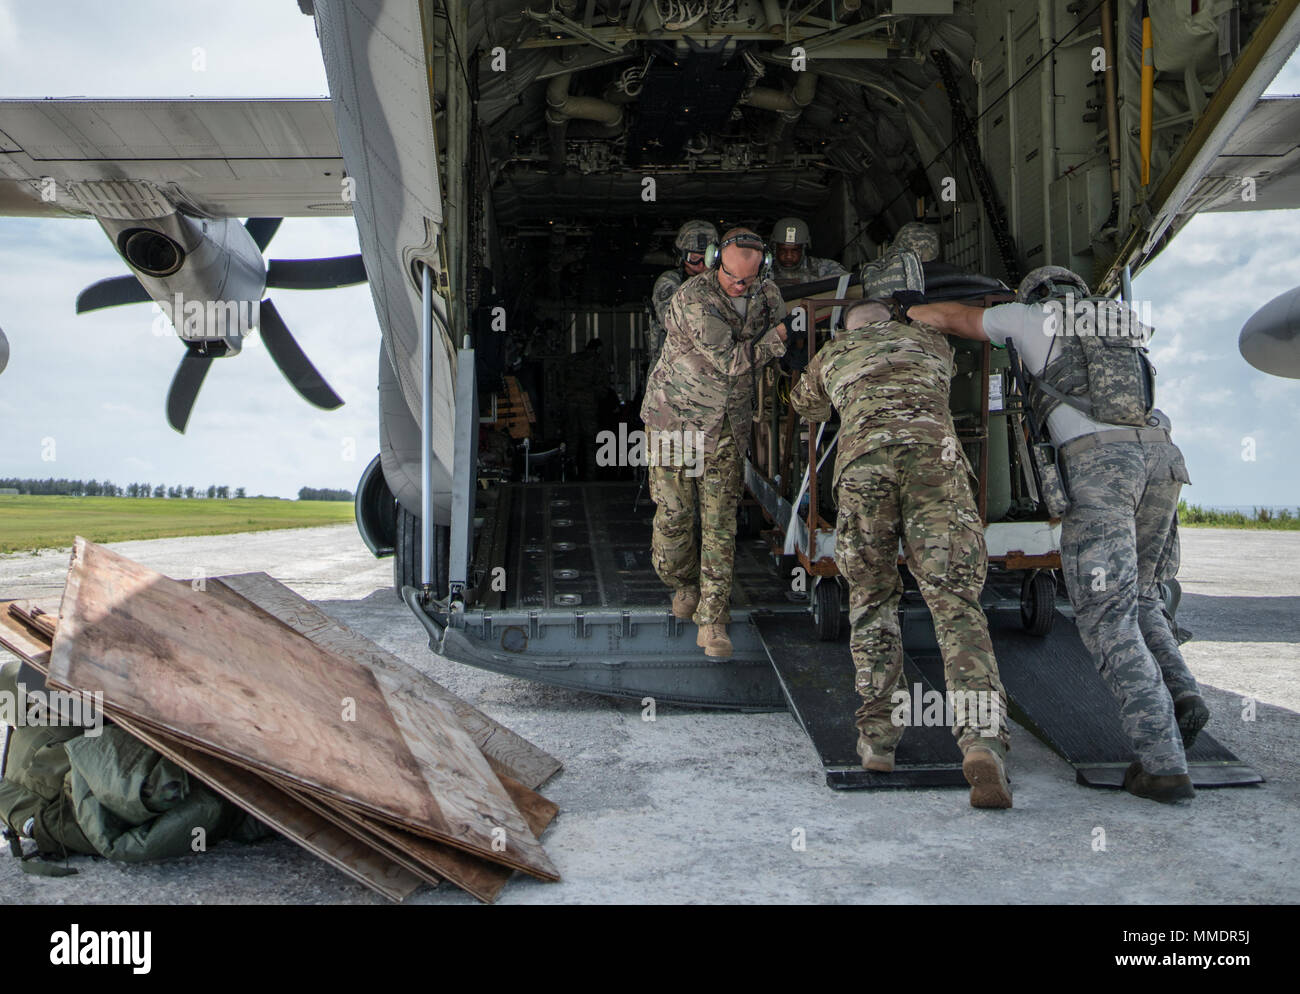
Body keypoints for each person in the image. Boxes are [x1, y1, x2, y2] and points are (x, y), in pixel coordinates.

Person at [899, 265, 1209, 803]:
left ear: (1037, 293)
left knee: (1105, 615)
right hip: (1162, 458)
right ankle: (1181, 693)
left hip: (1102, 467)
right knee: (1140, 597)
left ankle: (1162, 763)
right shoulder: (1123, 319)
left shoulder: (1027, 316)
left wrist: (907, 310)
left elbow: (952, 318)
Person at [788, 283, 1013, 809]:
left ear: (848, 329)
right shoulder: (930, 343)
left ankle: (878, 741)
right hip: (935, 465)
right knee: (956, 604)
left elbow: (807, 407)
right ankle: (981, 742)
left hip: (864, 468)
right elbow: (950, 367)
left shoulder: (835, 352)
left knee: (871, 600)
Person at [641, 228, 789, 658]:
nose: (739, 286)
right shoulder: (692, 299)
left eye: (748, 280)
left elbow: (782, 320)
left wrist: (785, 336)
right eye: (732, 278)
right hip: (675, 422)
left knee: (720, 524)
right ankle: (683, 582)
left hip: (726, 427)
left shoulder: (766, 293)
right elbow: (731, 363)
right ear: (713, 262)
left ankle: (713, 620)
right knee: (674, 521)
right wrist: (773, 344)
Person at [648, 220, 718, 370]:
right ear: (682, 256)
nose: (701, 264)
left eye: (707, 257)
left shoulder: (722, 283)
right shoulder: (669, 282)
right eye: (694, 258)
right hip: (671, 374)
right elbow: (674, 324)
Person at [562, 338, 607, 480]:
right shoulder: (597, 361)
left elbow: (561, 380)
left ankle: (569, 472)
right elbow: (602, 389)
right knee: (590, 441)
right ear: (598, 349)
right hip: (588, 404)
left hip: (570, 403)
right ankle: (590, 475)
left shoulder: (572, 359)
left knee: (572, 439)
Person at [769, 216, 847, 286]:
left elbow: (847, 281)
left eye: (795, 250)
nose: (788, 256)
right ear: (775, 248)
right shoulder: (763, 271)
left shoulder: (821, 267)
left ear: (803, 249)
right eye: (783, 250)